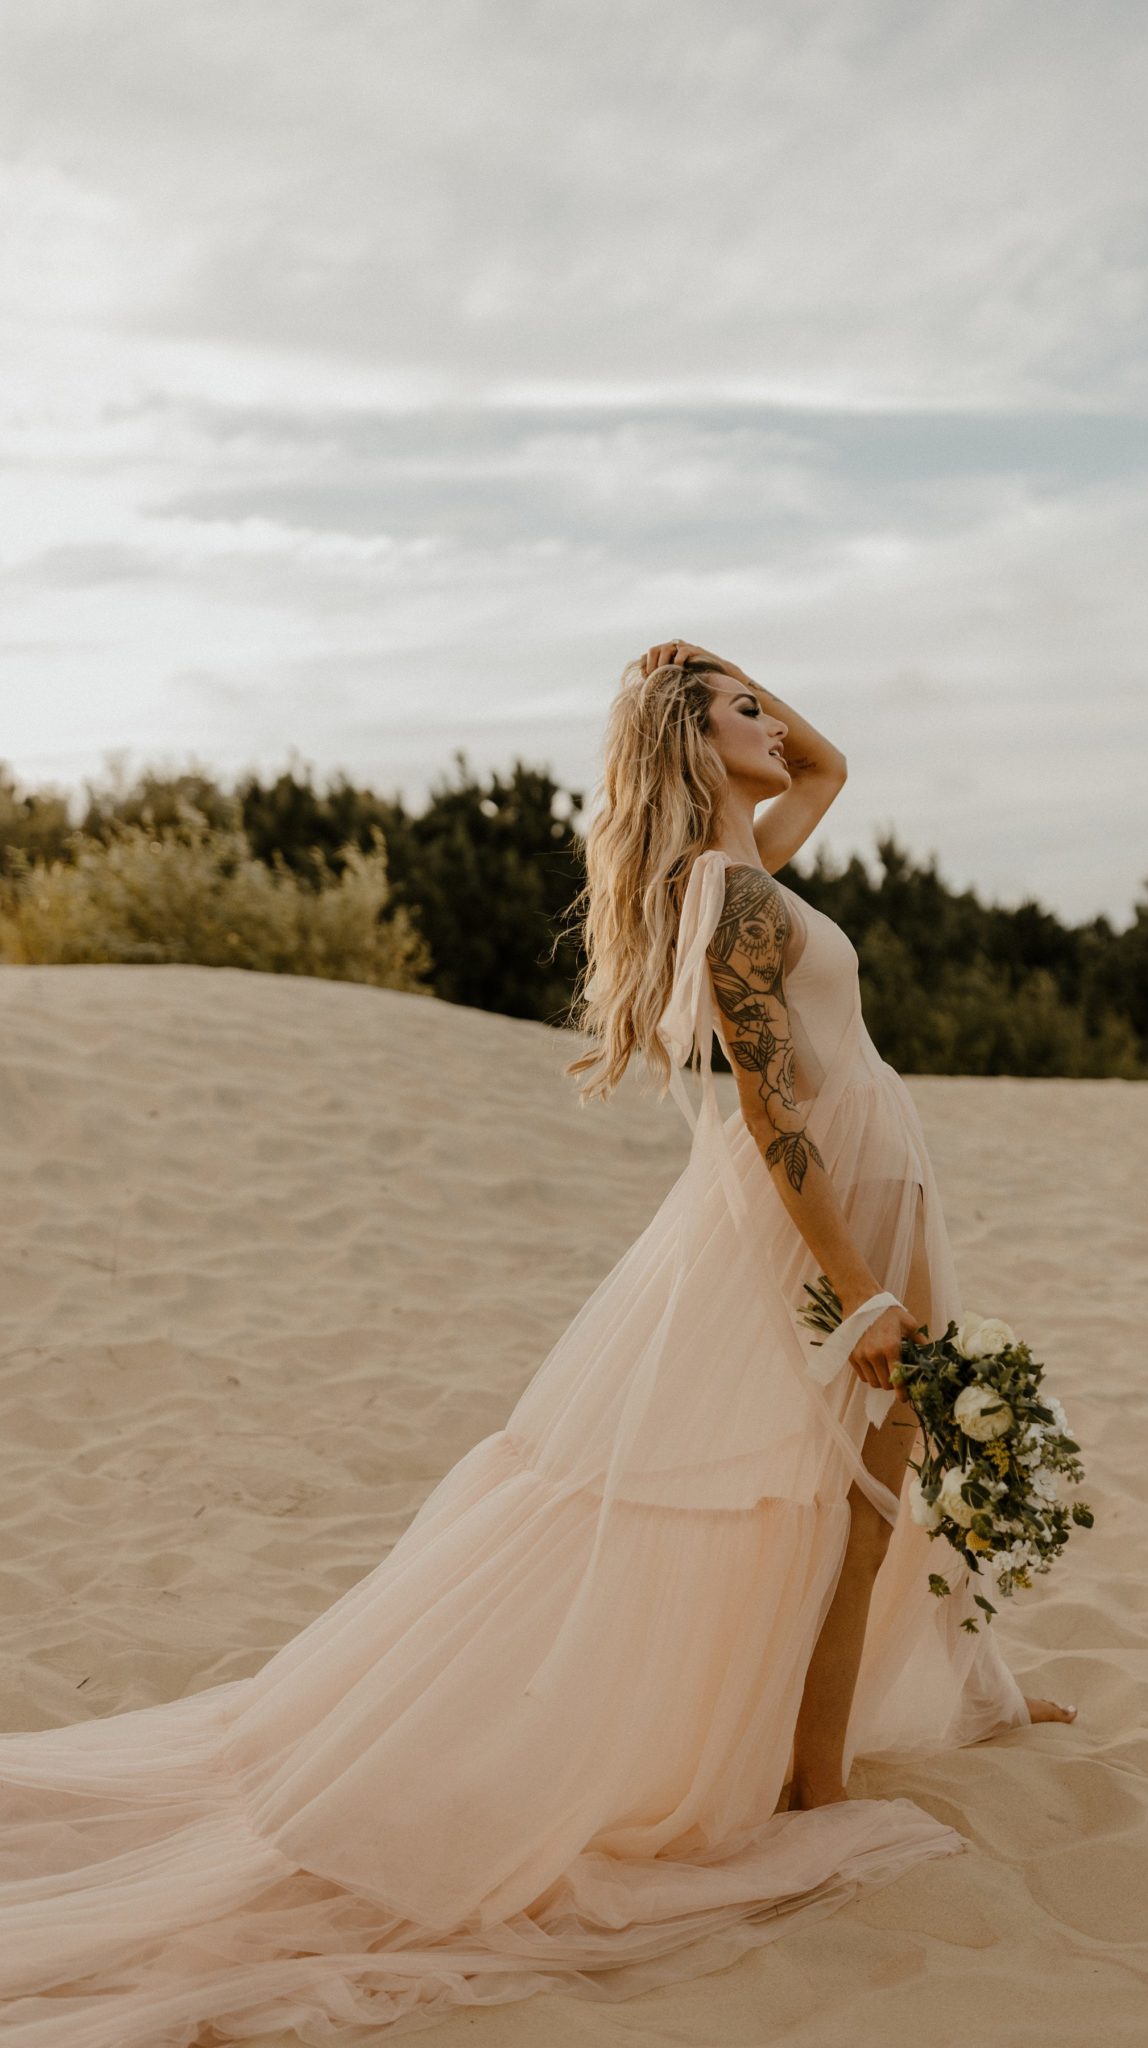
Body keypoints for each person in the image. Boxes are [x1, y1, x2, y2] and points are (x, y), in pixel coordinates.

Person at [0, 644, 1077, 2046]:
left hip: (873, 1174)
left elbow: (828, 766)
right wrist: (858, 1290)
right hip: (829, 1206)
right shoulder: (736, 897)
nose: (768, 721)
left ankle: (893, 1722)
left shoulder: (743, 863)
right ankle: (817, 1792)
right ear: (693, 755)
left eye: (759, 703)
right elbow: (774, 1115)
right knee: (854, 1490)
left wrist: (712, 679)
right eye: (736, 714)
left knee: (875, 1481)